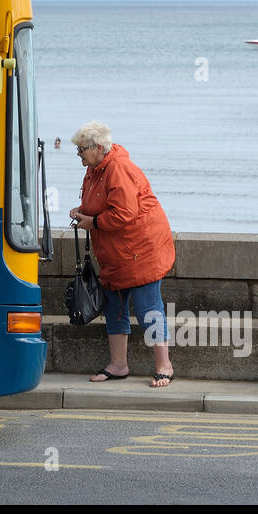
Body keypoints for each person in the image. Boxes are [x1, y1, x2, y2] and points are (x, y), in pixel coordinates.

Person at [68, 121, 176, 387]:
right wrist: (81, 211)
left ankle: (164, 366)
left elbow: (124, 214)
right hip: (116, 253)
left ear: (99, 148)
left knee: (148, 308)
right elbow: (99, 203)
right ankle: (118, 365)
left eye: (82, 149)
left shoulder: (118, 168)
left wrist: (91, 223)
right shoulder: (95, 169)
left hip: (141, 251)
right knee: (114, 307)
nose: (78, 154)